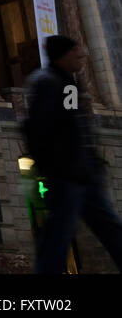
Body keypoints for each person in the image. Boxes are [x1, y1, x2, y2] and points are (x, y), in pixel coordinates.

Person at [25, 34, 122, 274]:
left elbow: (77, 126)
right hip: (68, 175)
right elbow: (38, 129)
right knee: (58, 236)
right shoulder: (47, 82)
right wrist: (57, 166)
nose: (82, 58)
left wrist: (91, 160)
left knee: (110, 230)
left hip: (83, 173)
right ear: (64, 56)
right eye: (77, 54)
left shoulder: (67, 82)